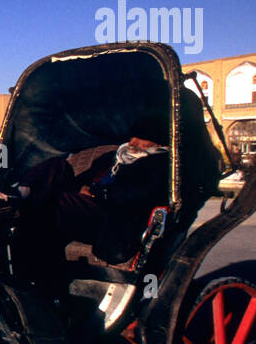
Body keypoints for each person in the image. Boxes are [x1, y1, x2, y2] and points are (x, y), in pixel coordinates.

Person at [12, 116, 171, 278]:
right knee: (57, 165)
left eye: (140, 139)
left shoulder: (159, 163)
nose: (132, 142)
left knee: (54, 201)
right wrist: (81, 187)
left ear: (157, 143)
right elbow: (82, 180)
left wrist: (99, 193)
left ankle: (17, 203)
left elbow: (141, 194)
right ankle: (19, 194)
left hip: (110, 214)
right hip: (84, 204)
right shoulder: (111, 157)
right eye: (132, 137)